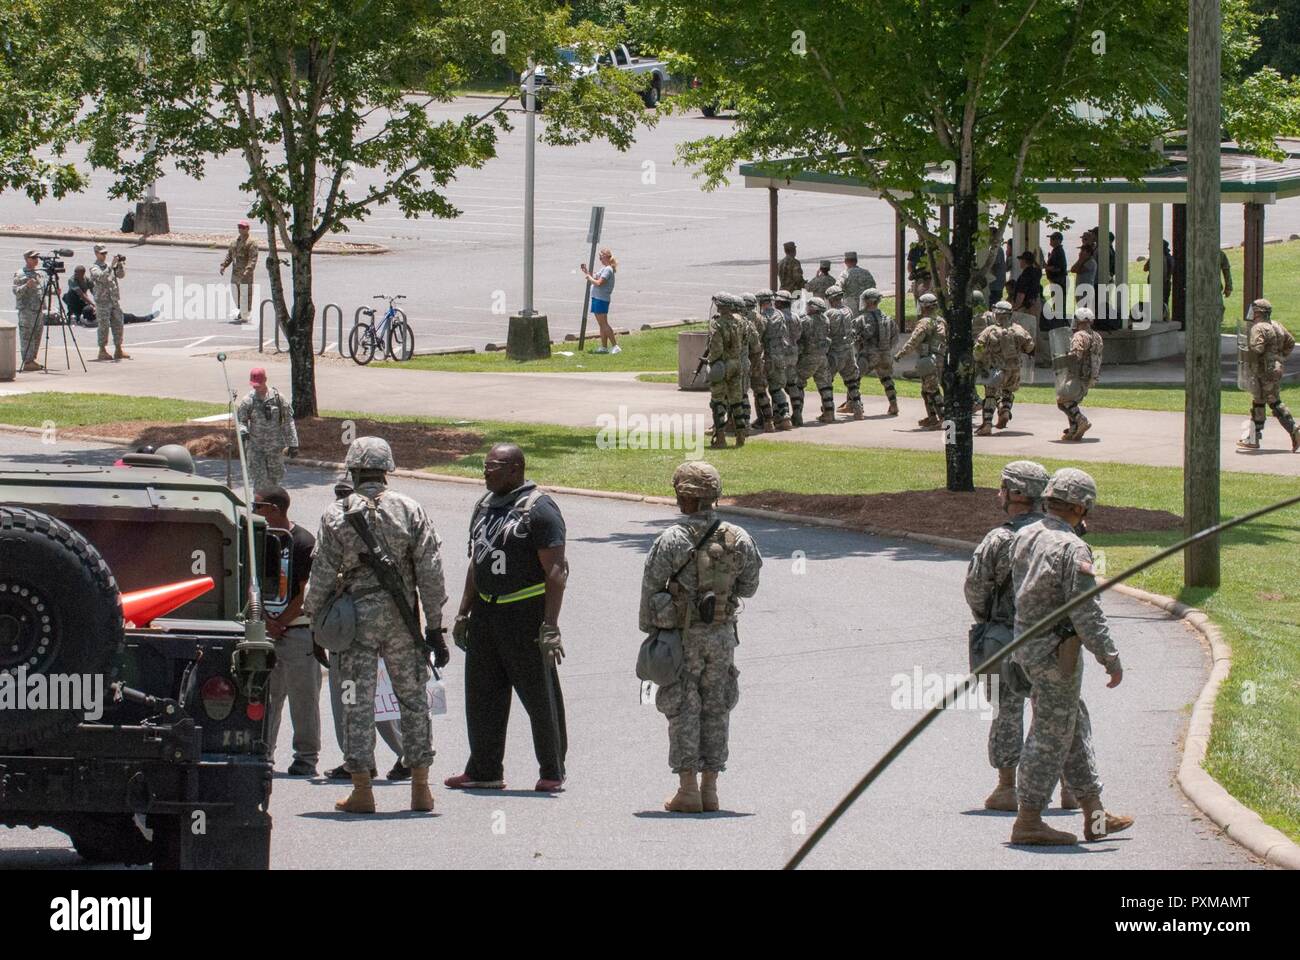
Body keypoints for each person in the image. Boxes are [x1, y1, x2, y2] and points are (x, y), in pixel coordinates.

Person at [302, 437, 447, 814]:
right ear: (387, 469)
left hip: (355, 623)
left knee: (356, 702)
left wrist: (314, 620)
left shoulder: (336, 513)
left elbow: (320, 576)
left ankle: (363, 790)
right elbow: (430, 572)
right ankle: (420, 788)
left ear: (352, 470)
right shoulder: (410, 509)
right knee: (413, 701)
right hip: (403, 621)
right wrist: (434, 627)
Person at [1009, 468, 1131, 845]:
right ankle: (1028, 819)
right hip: (1054, 655)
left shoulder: (1026, 534)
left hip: (1026, 649)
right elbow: (1085, 610)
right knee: (1050, 734)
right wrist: (1108, 656)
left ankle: (1095, 817)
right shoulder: (1072, 548)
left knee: (1071, 725)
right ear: (1081, 506)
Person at [446, 443, 569, 792]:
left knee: (539, 696)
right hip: (486, 612)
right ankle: (484, 769)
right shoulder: (484, 506)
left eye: (493, 466)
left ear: (515, 469)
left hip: (525, 613)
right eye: (485, 465)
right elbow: (477, 561)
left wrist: (550, 625)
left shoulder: (539, 509)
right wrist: (463, 611)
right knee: (482, 693)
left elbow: (557, 570)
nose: (486, 471)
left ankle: (552, 770)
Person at [641, 461, 761, 813]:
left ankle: (687, 788)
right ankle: (711, 788)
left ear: (683, 498)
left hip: (681, 638)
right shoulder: (738, 538)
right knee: (717, 705)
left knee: (682, 706)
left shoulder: (670, 540)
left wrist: (654, 637)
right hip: (722, 636)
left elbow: (650, 595)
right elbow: (750, 587)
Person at [964, 460, 1070, 811]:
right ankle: (1072, 788)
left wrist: (989, 620)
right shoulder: (1060, 536)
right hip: (1052, 640)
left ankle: (1006, 787)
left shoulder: (1000, 538)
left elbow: (976, 588)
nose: (999, 493)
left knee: (1007, 710)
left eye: (1003, 487)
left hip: (1006, 637)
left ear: (1015, 493)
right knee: (1059, 714)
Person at [255, 487, 322, 777]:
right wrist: (265, 620)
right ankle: (261, 754)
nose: (254, 510)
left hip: (297, 632)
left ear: (274, 508)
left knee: (304, 698)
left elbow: (307, 589)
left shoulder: (303, 542)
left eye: (258, 506)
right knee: (265, 697)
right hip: (263, 630)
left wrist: (282, 620)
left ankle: (305, 757)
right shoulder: (256, 539)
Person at [1237, 299, 1299, 452]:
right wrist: (1281, 357)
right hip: (1275, 368)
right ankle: (1253, 437)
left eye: (1254, 310)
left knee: (1273, 402)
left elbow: (1257, 349)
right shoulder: (1276, 325)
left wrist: (1247, 346)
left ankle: (1295, 430)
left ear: (1259, 312)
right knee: (1258, 400)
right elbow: (1290, 342)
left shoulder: (1258, 328)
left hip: (1263, 369)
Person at [974, 300, 1036, 435]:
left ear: (996, 314)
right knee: (1007, 392)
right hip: (1014, 370)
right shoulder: (1019, 330)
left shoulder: (989, 331)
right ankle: (1005, 410)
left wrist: (979, 360)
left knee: (990, 395)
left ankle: (987, 424)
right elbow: (1030, 346)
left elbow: (978, 349)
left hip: (996, 370)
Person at [235, 367, 299, 492]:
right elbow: (241, 420)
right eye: (254, 385)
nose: (256, 387)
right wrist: (243, 430)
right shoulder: (248, 401)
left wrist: (293, 443)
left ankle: (272, 508)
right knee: (260, 484)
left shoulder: (278, 399)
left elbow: (288, 421)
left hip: (274, 449)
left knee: (274, 482)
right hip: (256, 449)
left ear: (265, 380)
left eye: (259, 384)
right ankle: (259, 508)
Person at [702, 292, 750, 447]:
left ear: (721, 306)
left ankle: (720, 436)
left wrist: (710, 362)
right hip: (737, 363)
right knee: (737, 401)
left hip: (722, 365)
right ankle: (740, 436)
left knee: (718, 401)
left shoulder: (718, 324)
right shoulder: (742, 321)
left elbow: (716, 349)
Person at [894, 291, 947, 429]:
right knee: (926, 390)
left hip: (928, 359)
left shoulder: (925, 322)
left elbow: (914, 340)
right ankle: (932, 417)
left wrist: (901, 354)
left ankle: (943, 417)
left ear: (923, 307)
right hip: (939, 358)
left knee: (932, 390)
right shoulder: (941, 321)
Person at [1057, 306, 1104, 441]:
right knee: (1070, 401)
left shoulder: (1078, 336)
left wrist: (1061, 360)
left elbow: (1075, 356)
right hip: (1090, 377)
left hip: (1077, 375)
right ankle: (1073, 429)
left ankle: (1081, 420)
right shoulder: (1097, 337)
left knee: (1063, 400)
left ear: (1078, 321)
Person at [852, 288, 899, 416]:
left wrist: (860, 349)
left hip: (867, 355)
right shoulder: (888, 319)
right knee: (887, 379)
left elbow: (854, 338)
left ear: (868, 301)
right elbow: (895, 337)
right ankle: (894, 405)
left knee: (854, 380)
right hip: (885, 355)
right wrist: (886, 349)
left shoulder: (861, 319)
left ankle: (856, 408)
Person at [793, 295, 836, 425]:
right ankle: (829, 413)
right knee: (825, 386)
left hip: (808, 357)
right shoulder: (825, 320)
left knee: (798, 384)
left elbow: (798, 337)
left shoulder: (805, 321)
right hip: (822, 357)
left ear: (812, 308)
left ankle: (797, 415)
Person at [824, 285, 863, 419]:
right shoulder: (848, 310)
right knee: (851, 381)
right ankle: (858, 408)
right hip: (848, 351)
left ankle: (828, 411)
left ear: (830, 299)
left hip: (835, 351)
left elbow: (826, 331)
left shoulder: (829, 314)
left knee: (827, 381)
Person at [762, 290, 796, 431]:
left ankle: (768, 419)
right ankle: (785, 416)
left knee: (763, 388)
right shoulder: (781, 315)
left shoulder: (762, 317)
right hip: (782, 355)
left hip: (768, 356)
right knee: (778, 387)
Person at [89, 243, 129, 361]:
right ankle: (102, 350)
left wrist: (120, 265)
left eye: (105, 253)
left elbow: (120, 275)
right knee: (104, 326)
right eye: (102, 253)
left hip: (113, 300)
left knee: (118, 324)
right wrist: (111, 266)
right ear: (96, 254)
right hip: (103, 301)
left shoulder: (108, 266)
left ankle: (118, 349)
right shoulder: (94, 267)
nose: (104, 255)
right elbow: (102, 277)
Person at [740, 293, 773, 433]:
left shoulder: (743, 319)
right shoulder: (761, 318)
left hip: (746, 358)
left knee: (742, 391)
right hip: (758, 358)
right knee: (761, 391)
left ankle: (745, 423)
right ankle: (769, 421)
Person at [580, 247, 621, 354]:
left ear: (607, 257)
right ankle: (604, 347)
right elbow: (595, 276)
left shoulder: (608, 269)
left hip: (601, 299)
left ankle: (615, 346)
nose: (600, 259)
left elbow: (599, 282)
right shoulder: (604, 268)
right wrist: (587, 272)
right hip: (597, 298)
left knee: (604, 324)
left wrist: (589, 278)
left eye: (601, 257)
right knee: (601, 324)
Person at [220, 219, 258, 323]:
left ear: (247, 229)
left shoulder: (251, 243)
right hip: (235, 273)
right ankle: (241, 311)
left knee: (245, 293)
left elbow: (253, 259)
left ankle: (246, 312)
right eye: (239, 227)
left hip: (245, 273)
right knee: (235, 293)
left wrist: (248, 270)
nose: (240, 229)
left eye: (243, 227)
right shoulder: (234, 242)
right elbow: (230, 256)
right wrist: (224, 265)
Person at [13, 249, 44, 372]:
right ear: (26, 259)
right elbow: (16, 291)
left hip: (38, 309)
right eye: (33, 258)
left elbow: (40, 290)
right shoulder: (20, 274)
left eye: (37, 257)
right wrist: (26, 285)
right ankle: (27, 361)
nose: (36, 260)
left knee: (37, 335)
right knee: (27, 336)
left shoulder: (38, 273)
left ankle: (32, 360)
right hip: (26, 311)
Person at [837, 250, 875, 317]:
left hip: (851, 307)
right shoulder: (866, 273)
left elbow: (837, 290)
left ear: (845, 262)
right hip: (866, 305)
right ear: (856, 261)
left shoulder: (844, 274)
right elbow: (873, 288)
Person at [1011, 250, 1043, 328]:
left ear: (1024, 261)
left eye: (1021, 260)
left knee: (1026, 331)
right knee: (1035, 329)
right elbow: (1039, 267)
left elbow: (1021, 294)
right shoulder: (1037, 272)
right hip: (1036, 302)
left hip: (1027, 307)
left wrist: (1014, 308)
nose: (1020, 262)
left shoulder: (1024, 276)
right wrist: (1033, 260)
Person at [1044, 231, 1068, 324]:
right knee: (1056, 303)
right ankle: (1059, 322)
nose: (1051, 240)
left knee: (1059, 304)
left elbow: (1058, 268)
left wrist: (1046, 267)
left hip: (1059, 281)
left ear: (1058, 240)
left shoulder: (1059, 251)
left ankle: (1061, 323)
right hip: (1056, 281)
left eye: (1053, 239)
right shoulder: (1056, 251)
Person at [986, 229, 1008, 303]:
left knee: (994, 303)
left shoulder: (997, 249)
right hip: (995, 283)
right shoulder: (995, 249)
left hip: (996, 283)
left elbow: (995, 265)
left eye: (989, 235)